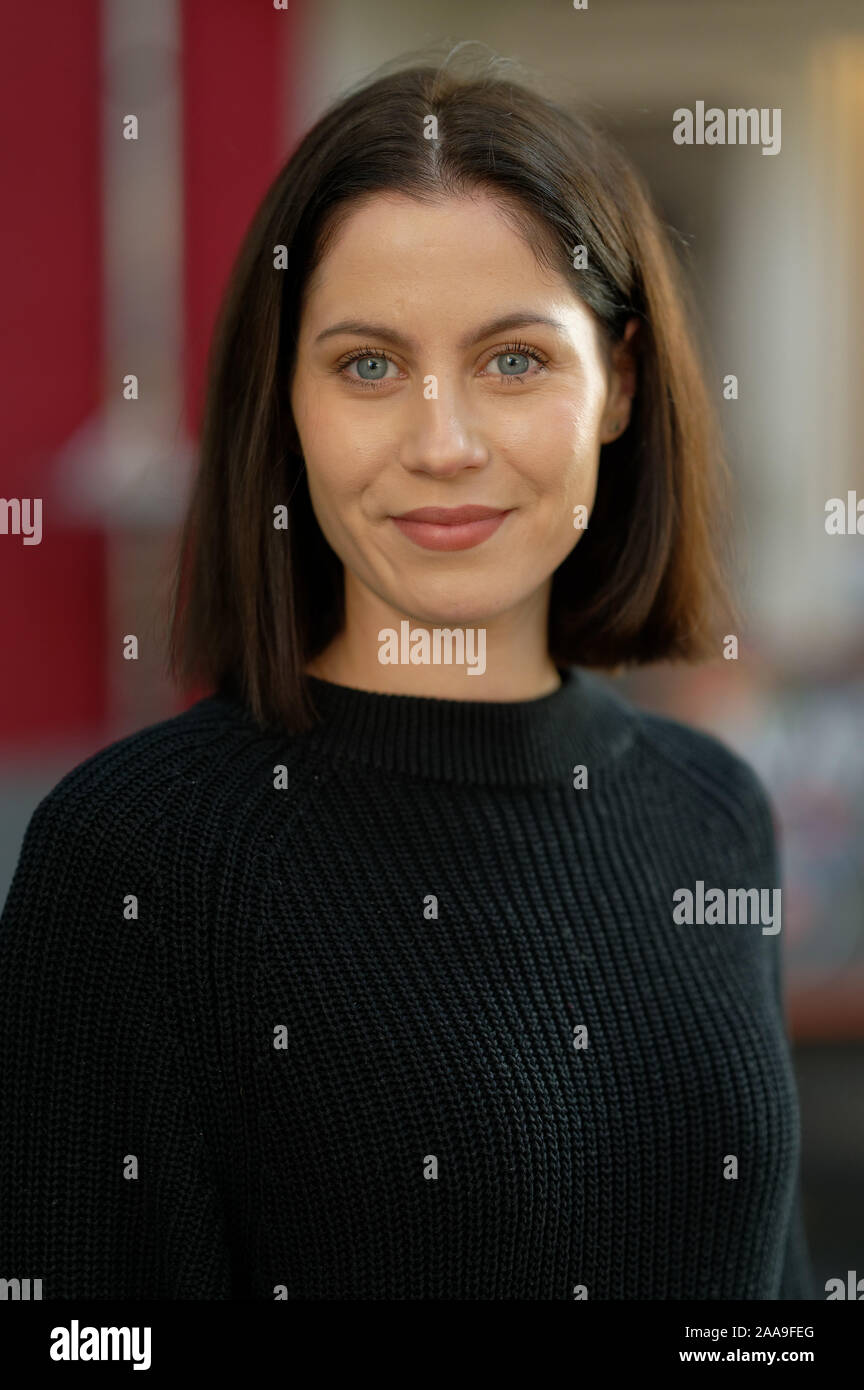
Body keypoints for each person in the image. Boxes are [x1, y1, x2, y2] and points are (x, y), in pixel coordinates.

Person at [0, 58, 814, 1300]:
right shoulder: (136, 860)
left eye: (515, 360)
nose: (444, 443)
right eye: (369, 365)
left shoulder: (714, 814)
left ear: (623, 383)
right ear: (286, 403)